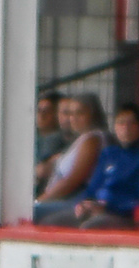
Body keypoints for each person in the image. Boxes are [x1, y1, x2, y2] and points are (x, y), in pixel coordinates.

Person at [29, 93, 106, 225]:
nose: (73, 118)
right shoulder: (79, 139)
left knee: (30, 213)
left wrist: (39, 201)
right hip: (59, 197)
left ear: (92, 114)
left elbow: (72, 181)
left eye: (80, 113)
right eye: (70, 114)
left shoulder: (92, 139)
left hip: (75, 201)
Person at [70, 103, 139, 229]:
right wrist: (82, 203)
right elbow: (93, 187)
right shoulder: (109, 153)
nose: (126, 128)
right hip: (95, 209)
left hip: (122, 215)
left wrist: (107, 207)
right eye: (121, 123)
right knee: (52, 220)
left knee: (90, 227)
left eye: (131, 123)